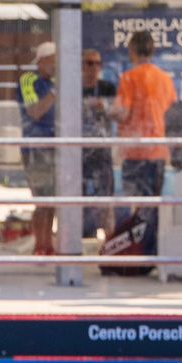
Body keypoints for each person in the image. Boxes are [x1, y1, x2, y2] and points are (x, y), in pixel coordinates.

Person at [110, 30, 176, 260]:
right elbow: (171, 113)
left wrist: (106, 110)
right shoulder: (165, 79)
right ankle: (152, 250)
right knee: (153, 205)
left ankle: (135, 252)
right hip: (158, 149)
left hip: (135, 150)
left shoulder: (129, 78)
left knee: (134, 206)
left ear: (133, 50)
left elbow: (122, 112)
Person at [18, 43, 60, 258]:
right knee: (42, 199)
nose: (56, 66)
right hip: (36, 147)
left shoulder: (53, 83)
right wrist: (54, 93)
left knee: (52, 198)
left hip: (55, 146)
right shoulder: (29, 80)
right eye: (53, 60)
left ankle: (48, 244)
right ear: (43, 60)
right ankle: (40, 244)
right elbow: (34, 112)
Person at [79, 50, 119, 247]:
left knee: (106, 196)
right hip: (79, 150)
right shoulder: (74, 89)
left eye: (97, 64)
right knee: (78, 194)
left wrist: (105, 108)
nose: (94, 68)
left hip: (102, 150)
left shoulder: (108, 88)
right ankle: (78, 240)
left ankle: (110, 242)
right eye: (89, 63)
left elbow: (118, 113)